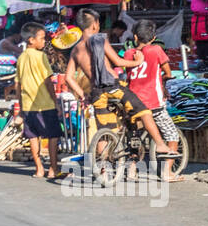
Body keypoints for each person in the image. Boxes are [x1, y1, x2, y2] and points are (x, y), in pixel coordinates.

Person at [64, 9, 176, 163]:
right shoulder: (99, 40)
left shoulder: (76, 49)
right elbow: (117, 62)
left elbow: (69, 78)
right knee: (144, 111)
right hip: (113, 88)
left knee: (104, 130)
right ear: (95, 25)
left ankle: (102, 168)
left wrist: (83, 95)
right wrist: (136, 62)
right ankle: (161, 145)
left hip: (96, 93)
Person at [124, 19, 183, 182]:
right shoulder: (156, 50)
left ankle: (131, 170)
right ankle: (167, 172)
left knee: (134, 137)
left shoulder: (129, 53)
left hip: (132, 102)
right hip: (153, 102)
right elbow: (168, 72)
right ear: (153, 37)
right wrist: (161, 78)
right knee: (172, 134)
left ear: (135, 37)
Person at [16, 22, 62, 179]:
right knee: (53, 135)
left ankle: (39, 169)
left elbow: (18, 84)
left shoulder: (21, 58)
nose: (44, 41)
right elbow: (48, 82)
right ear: (31, 40)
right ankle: (53, 168)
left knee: (33, 136)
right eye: (42, 38)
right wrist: (55, 102)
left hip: (28, 105)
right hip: (45, 104)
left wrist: (21, 106)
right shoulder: (41, 56)